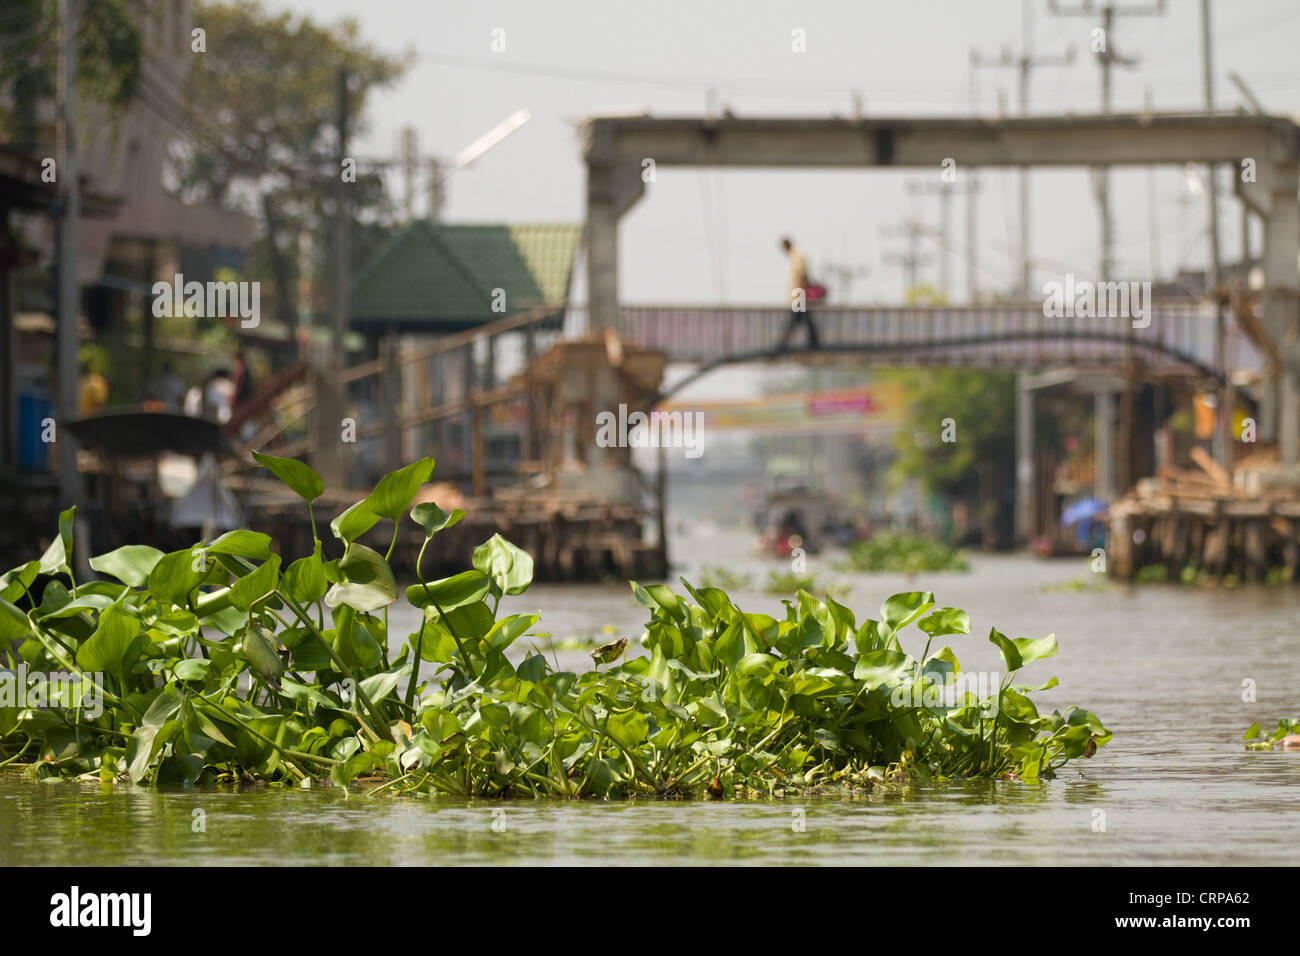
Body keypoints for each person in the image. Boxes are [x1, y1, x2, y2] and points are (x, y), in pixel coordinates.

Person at [777, 236, 820, 350]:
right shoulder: (795, 256)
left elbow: (802, 274)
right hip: (798, 292)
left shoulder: (797, 256)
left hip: (798, 292)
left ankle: (783, 344)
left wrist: (801, 291)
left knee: (796, 318)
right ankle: (813, 341)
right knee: (803, 317)